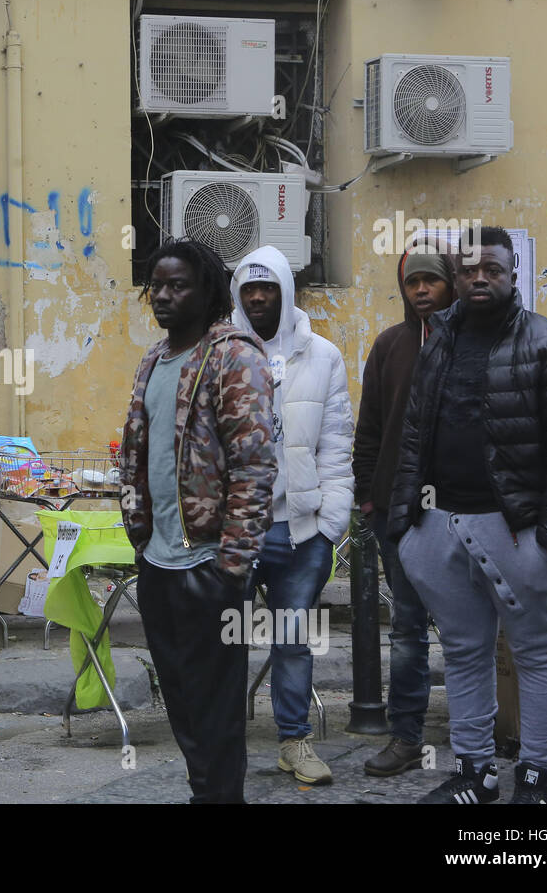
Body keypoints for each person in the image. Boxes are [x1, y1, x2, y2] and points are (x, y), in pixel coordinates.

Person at [389, 226, 547, 804]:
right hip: (439, 526)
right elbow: (413, 435)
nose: (480, 278)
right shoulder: (439, 342)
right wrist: (406, 527)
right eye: (469, 270)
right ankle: (475, 774)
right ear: (457, 278)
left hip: (518, 530)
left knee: (536, 652)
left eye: (494, 270)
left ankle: (537, 777)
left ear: (513, 276)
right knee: (463, 653)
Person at [119, 238, 277, 803]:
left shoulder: (235, 356)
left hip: (210, 565)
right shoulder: (154, 360)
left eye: (177, 285)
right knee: (182, 700)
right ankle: (203, 792)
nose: (162, 296)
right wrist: (141, 541)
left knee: (215, 706)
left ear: (207, 290)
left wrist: (232, 565)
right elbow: (140, 455)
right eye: (156, 285)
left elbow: (255, 465)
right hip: (159, 563)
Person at [230, 245, 354, 786]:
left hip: (301, 530)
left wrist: (331, 523)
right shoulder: (224, 354)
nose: (258, 297)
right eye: (248, 289)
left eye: (268, 288)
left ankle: (294, 743)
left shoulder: (322, 355)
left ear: (285, 290)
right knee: (226, 639)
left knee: (293, 639)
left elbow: (336, 443)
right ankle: (223, 745)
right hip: (238, 530)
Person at [353, 238, 456, 777]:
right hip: (400, 516)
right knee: (408, 632)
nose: (421, 289)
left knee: (469, 633)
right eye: (413, 281)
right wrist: (370, 499)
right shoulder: (390, 346)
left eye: (431, 279)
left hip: (467, 515)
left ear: (450, 283)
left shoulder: (473, 342)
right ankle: (407, 737)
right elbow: (369, 431)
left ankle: (473, 740)